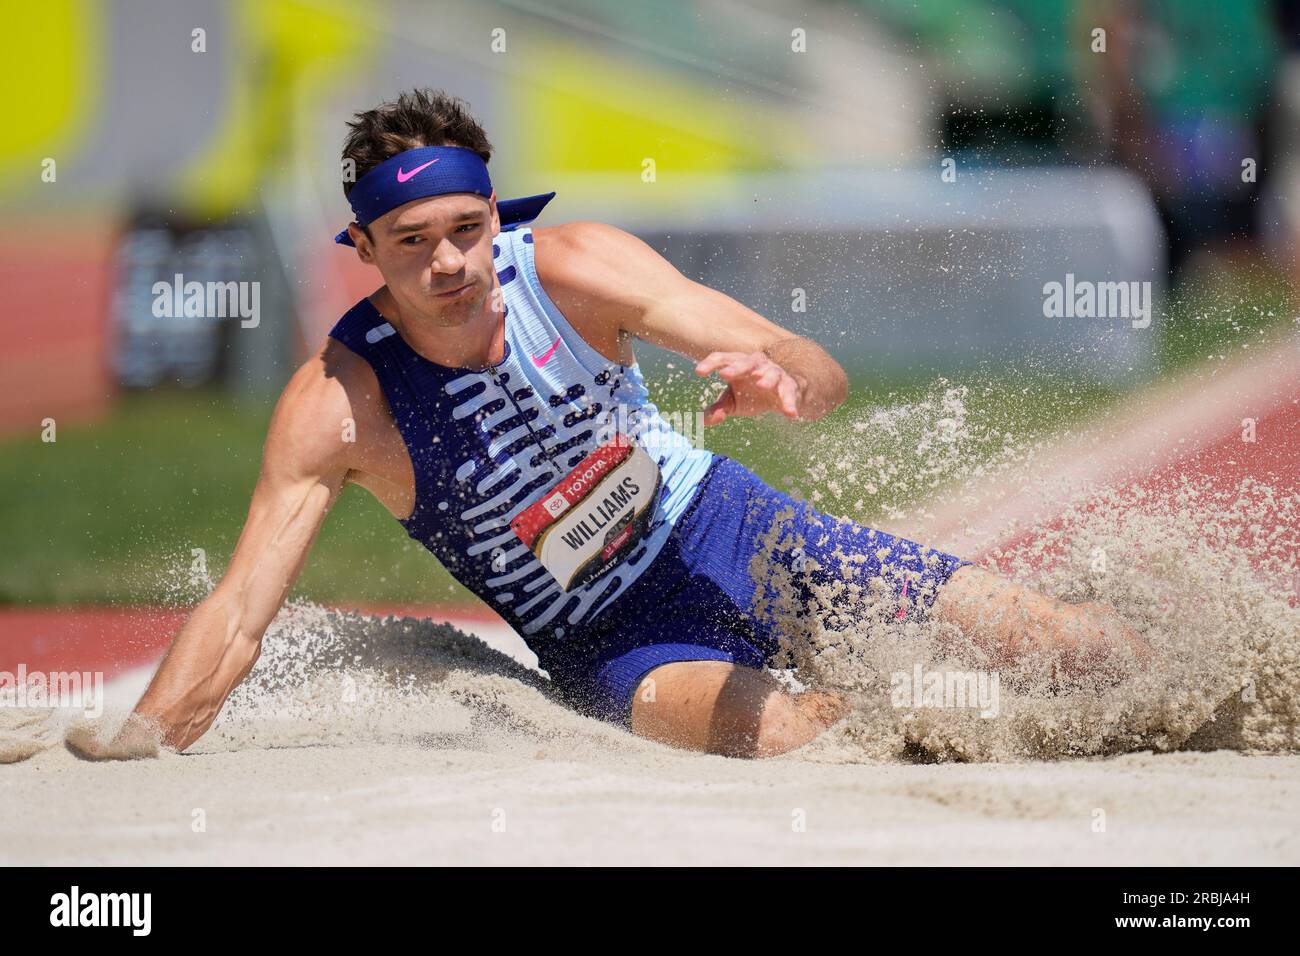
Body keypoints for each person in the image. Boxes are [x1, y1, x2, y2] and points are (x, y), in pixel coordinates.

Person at [80, 89, 1145, 761]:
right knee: (820, 737)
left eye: (467, 228)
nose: (450, 262)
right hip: (616, 646)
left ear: (495, 214)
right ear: (363, 246)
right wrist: (143, 743)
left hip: (733, 527)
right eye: (413, 242)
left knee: (1056, 641)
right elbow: (239, 611)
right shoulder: (336, 404)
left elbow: (811, 365)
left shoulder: (574, 266)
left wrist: (779, 375)